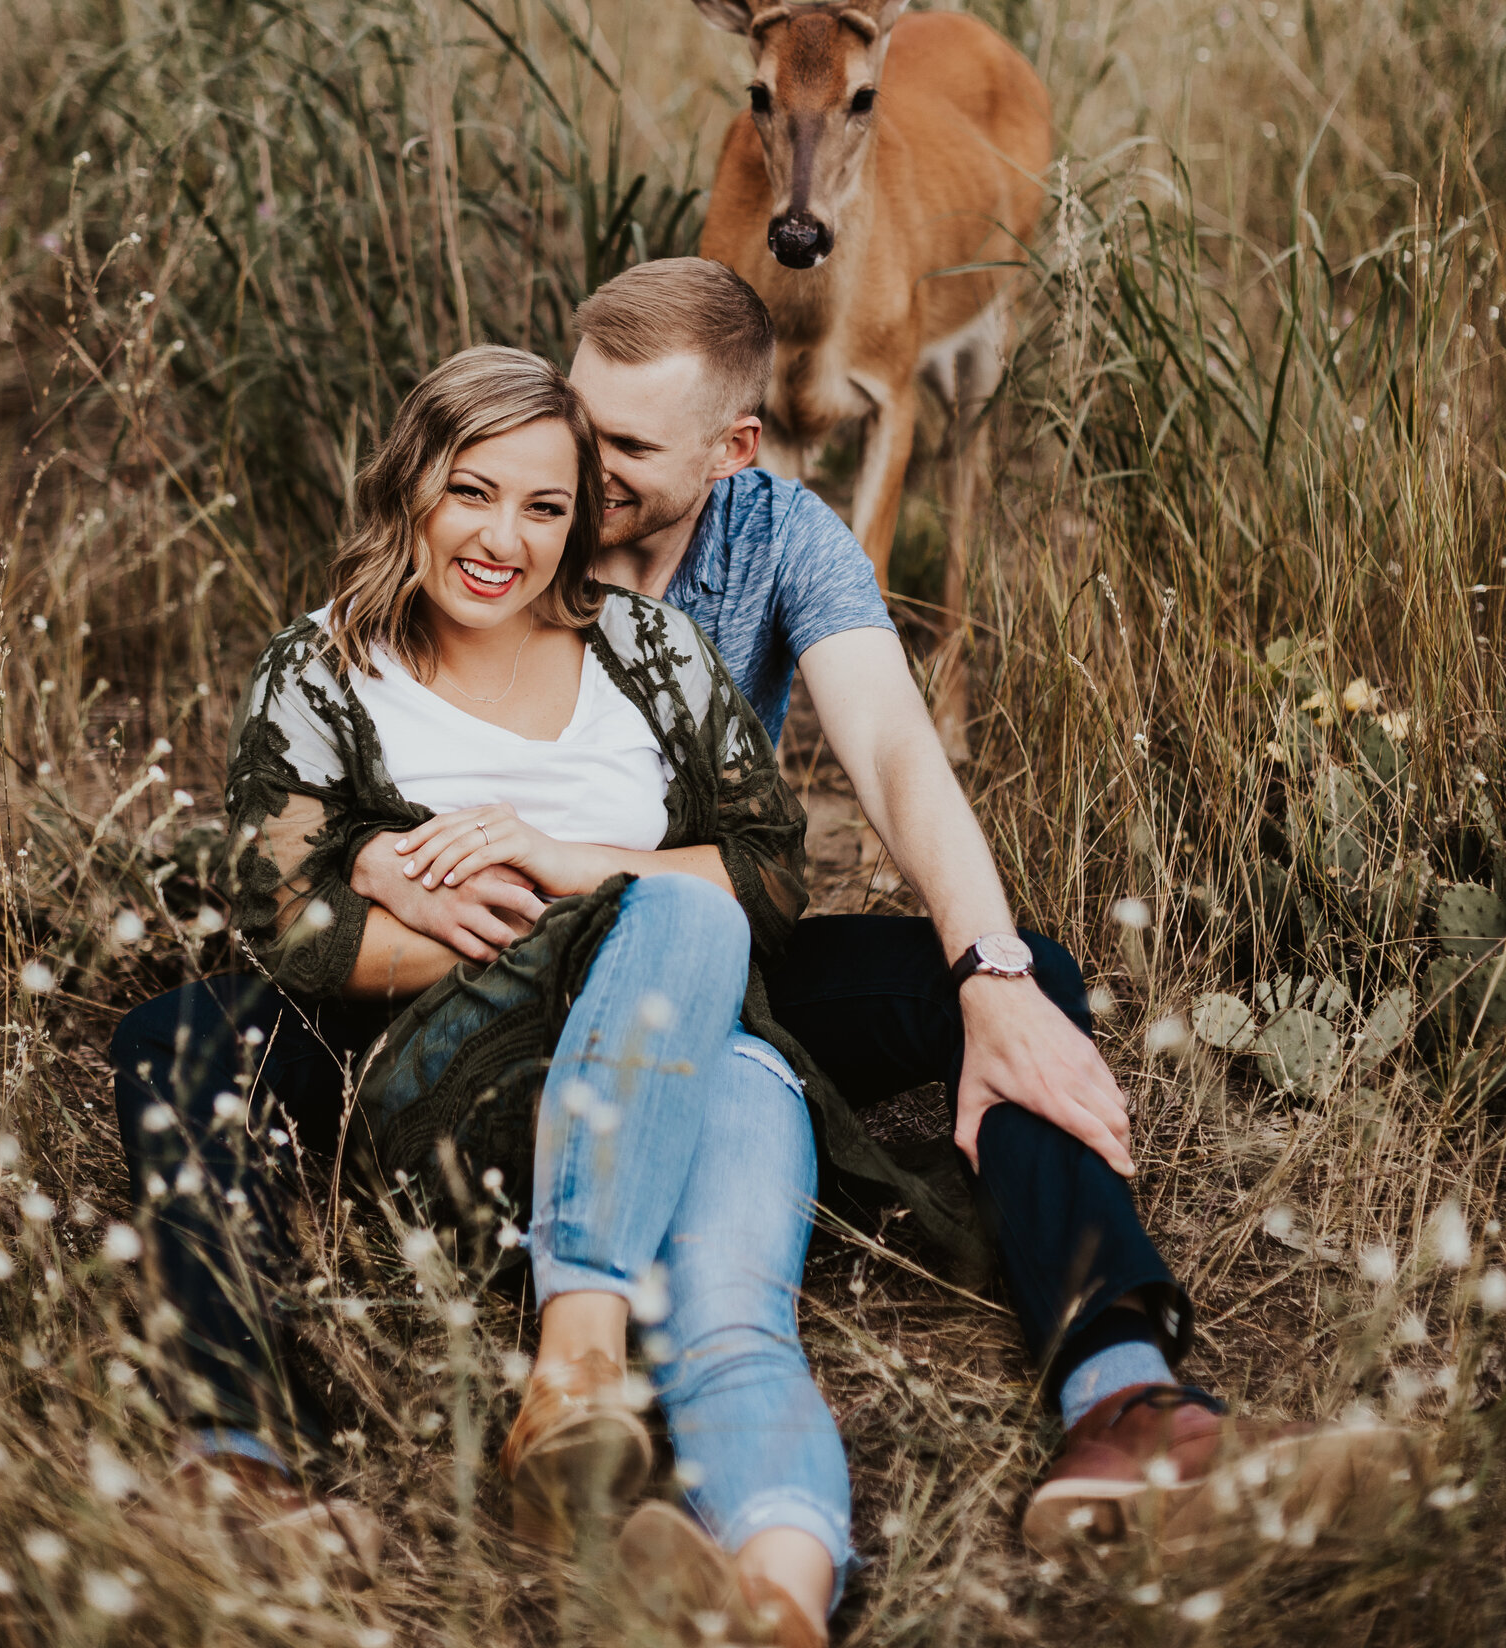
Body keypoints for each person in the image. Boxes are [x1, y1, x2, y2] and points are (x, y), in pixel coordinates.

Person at [113, 264, 1411, 1573]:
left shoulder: (771, 541)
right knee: (178, 1036)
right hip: (448, 982)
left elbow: (891, 755)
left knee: (1017, 983)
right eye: (571, 422)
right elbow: (308, 809)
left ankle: (1122, 1400)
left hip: (694, 958)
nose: (578, 468)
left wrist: (992, 969)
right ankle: (238, 1454)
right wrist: (376, 867)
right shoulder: (456, 556)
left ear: (732, 449)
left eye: (620, 452)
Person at [180, 344, 846, 1642]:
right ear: (413, 483)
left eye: (546, 507)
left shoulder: (647, 649)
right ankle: (577, 1357)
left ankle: (782, 1599)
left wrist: (572, 868)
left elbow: (770, 872)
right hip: (479, 1071)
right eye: (474, 492)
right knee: (668, 905)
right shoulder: (325, 672)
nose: (505, 539)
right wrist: (378, 867)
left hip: (710, 1038)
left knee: (737, 1318)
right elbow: (262, 903)